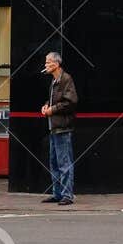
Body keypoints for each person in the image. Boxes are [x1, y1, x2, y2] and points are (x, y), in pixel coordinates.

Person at [40, 49, 77, 206]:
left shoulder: (66, 79)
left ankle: (67, 194)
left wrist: (52, 110)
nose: (46, 65)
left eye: (48, 62)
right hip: (53, 127)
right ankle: (57, 193)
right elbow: (55, 101)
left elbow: (71, 102)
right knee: (54, 163)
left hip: (63, 128)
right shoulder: (54, 82)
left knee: (64, 163)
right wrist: (46, 106)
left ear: (56, 64)